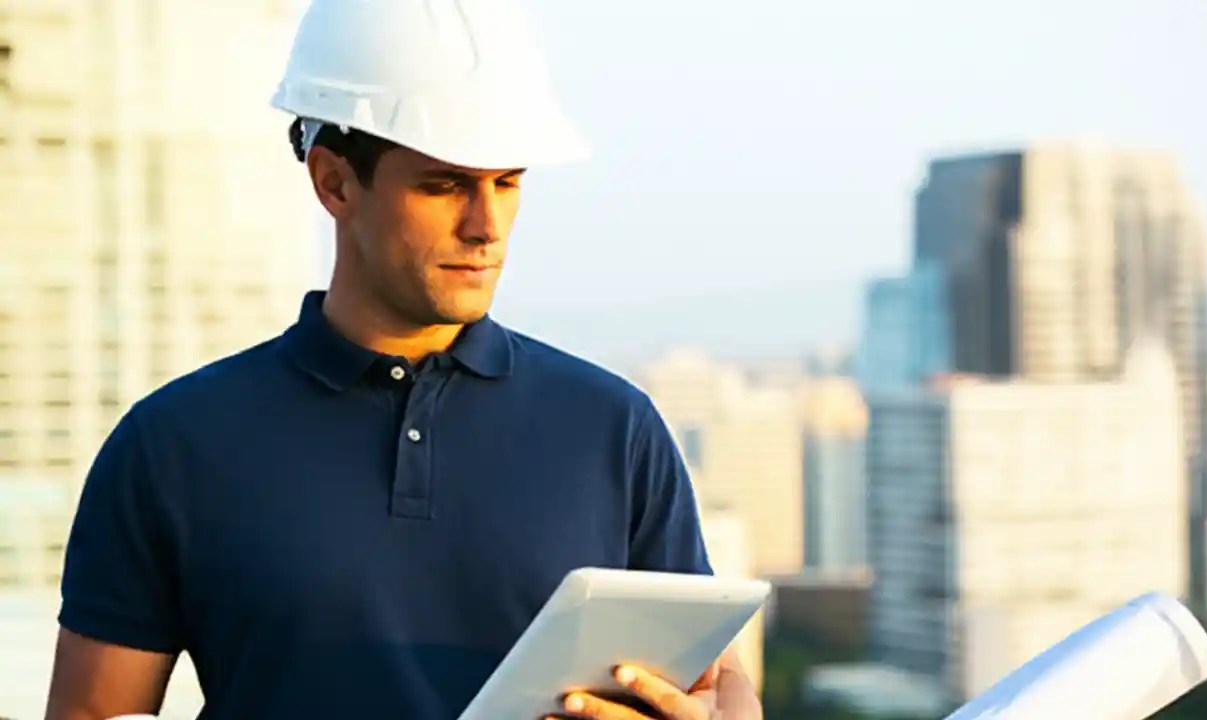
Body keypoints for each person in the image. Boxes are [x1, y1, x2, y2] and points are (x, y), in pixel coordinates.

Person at [44, 1, 762, 719]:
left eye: (507, 182)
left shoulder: (613, 428)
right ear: (334, 182)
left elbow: (722, 693)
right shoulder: (172, 444)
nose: (486, 227)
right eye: (444, 185)